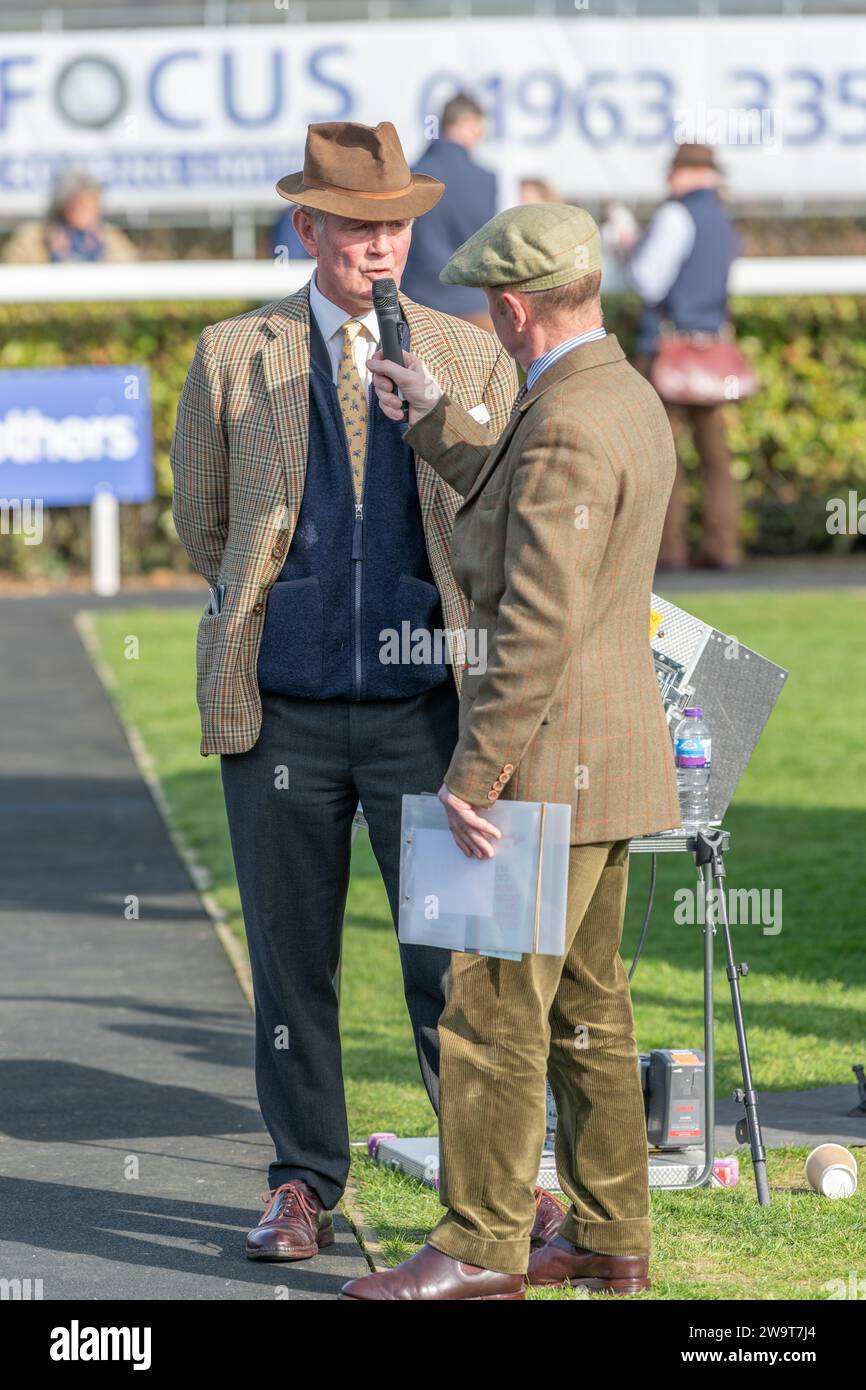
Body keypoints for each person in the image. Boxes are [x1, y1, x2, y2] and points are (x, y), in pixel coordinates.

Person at [169, 119, 518, 1263]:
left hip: (433, 719)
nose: (381, 244)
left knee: (456, 966)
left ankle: (487, 1202)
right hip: (283, 712)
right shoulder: (235, 353)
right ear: (304, 225)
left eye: (397, 223)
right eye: (357, 224)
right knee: (290, 965)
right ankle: (301, 1183)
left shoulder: (469, 357)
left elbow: (507, 522)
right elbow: (203, 527)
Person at [341, 202, 682, 1301]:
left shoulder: (567, 421)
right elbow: (527, 510)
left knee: (487, 1013)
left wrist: (468, 774)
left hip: (533, 772)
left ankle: (477, 1247)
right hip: (608, 762)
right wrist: (438, 419)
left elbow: (529, 623)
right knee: (589, 1009)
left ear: (513, 307)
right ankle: (607, 1236)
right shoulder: (613, 394)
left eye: (490, 307)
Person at [626, 143, 743, 569]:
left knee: (661, 453)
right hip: (711, 352)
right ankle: (723, 546)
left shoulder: (676, 215)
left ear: (687, 173)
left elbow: (648, 281)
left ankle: (668, 548)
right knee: (716, 457)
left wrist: (630, 249)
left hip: (669, 351)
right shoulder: (724, 219)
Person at [400, 94, 498, 332]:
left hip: (418, 307)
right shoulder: (487, 179)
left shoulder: (408, 176)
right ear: (468, 122)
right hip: (475, 309)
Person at [2, 168, 137, 264]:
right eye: (82, 205)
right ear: (63, 205)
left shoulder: (111, 237)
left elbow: (131, 271)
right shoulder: (32, 237)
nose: (90, 212)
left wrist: (103, 255)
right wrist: (51, 257)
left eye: (94, 205)